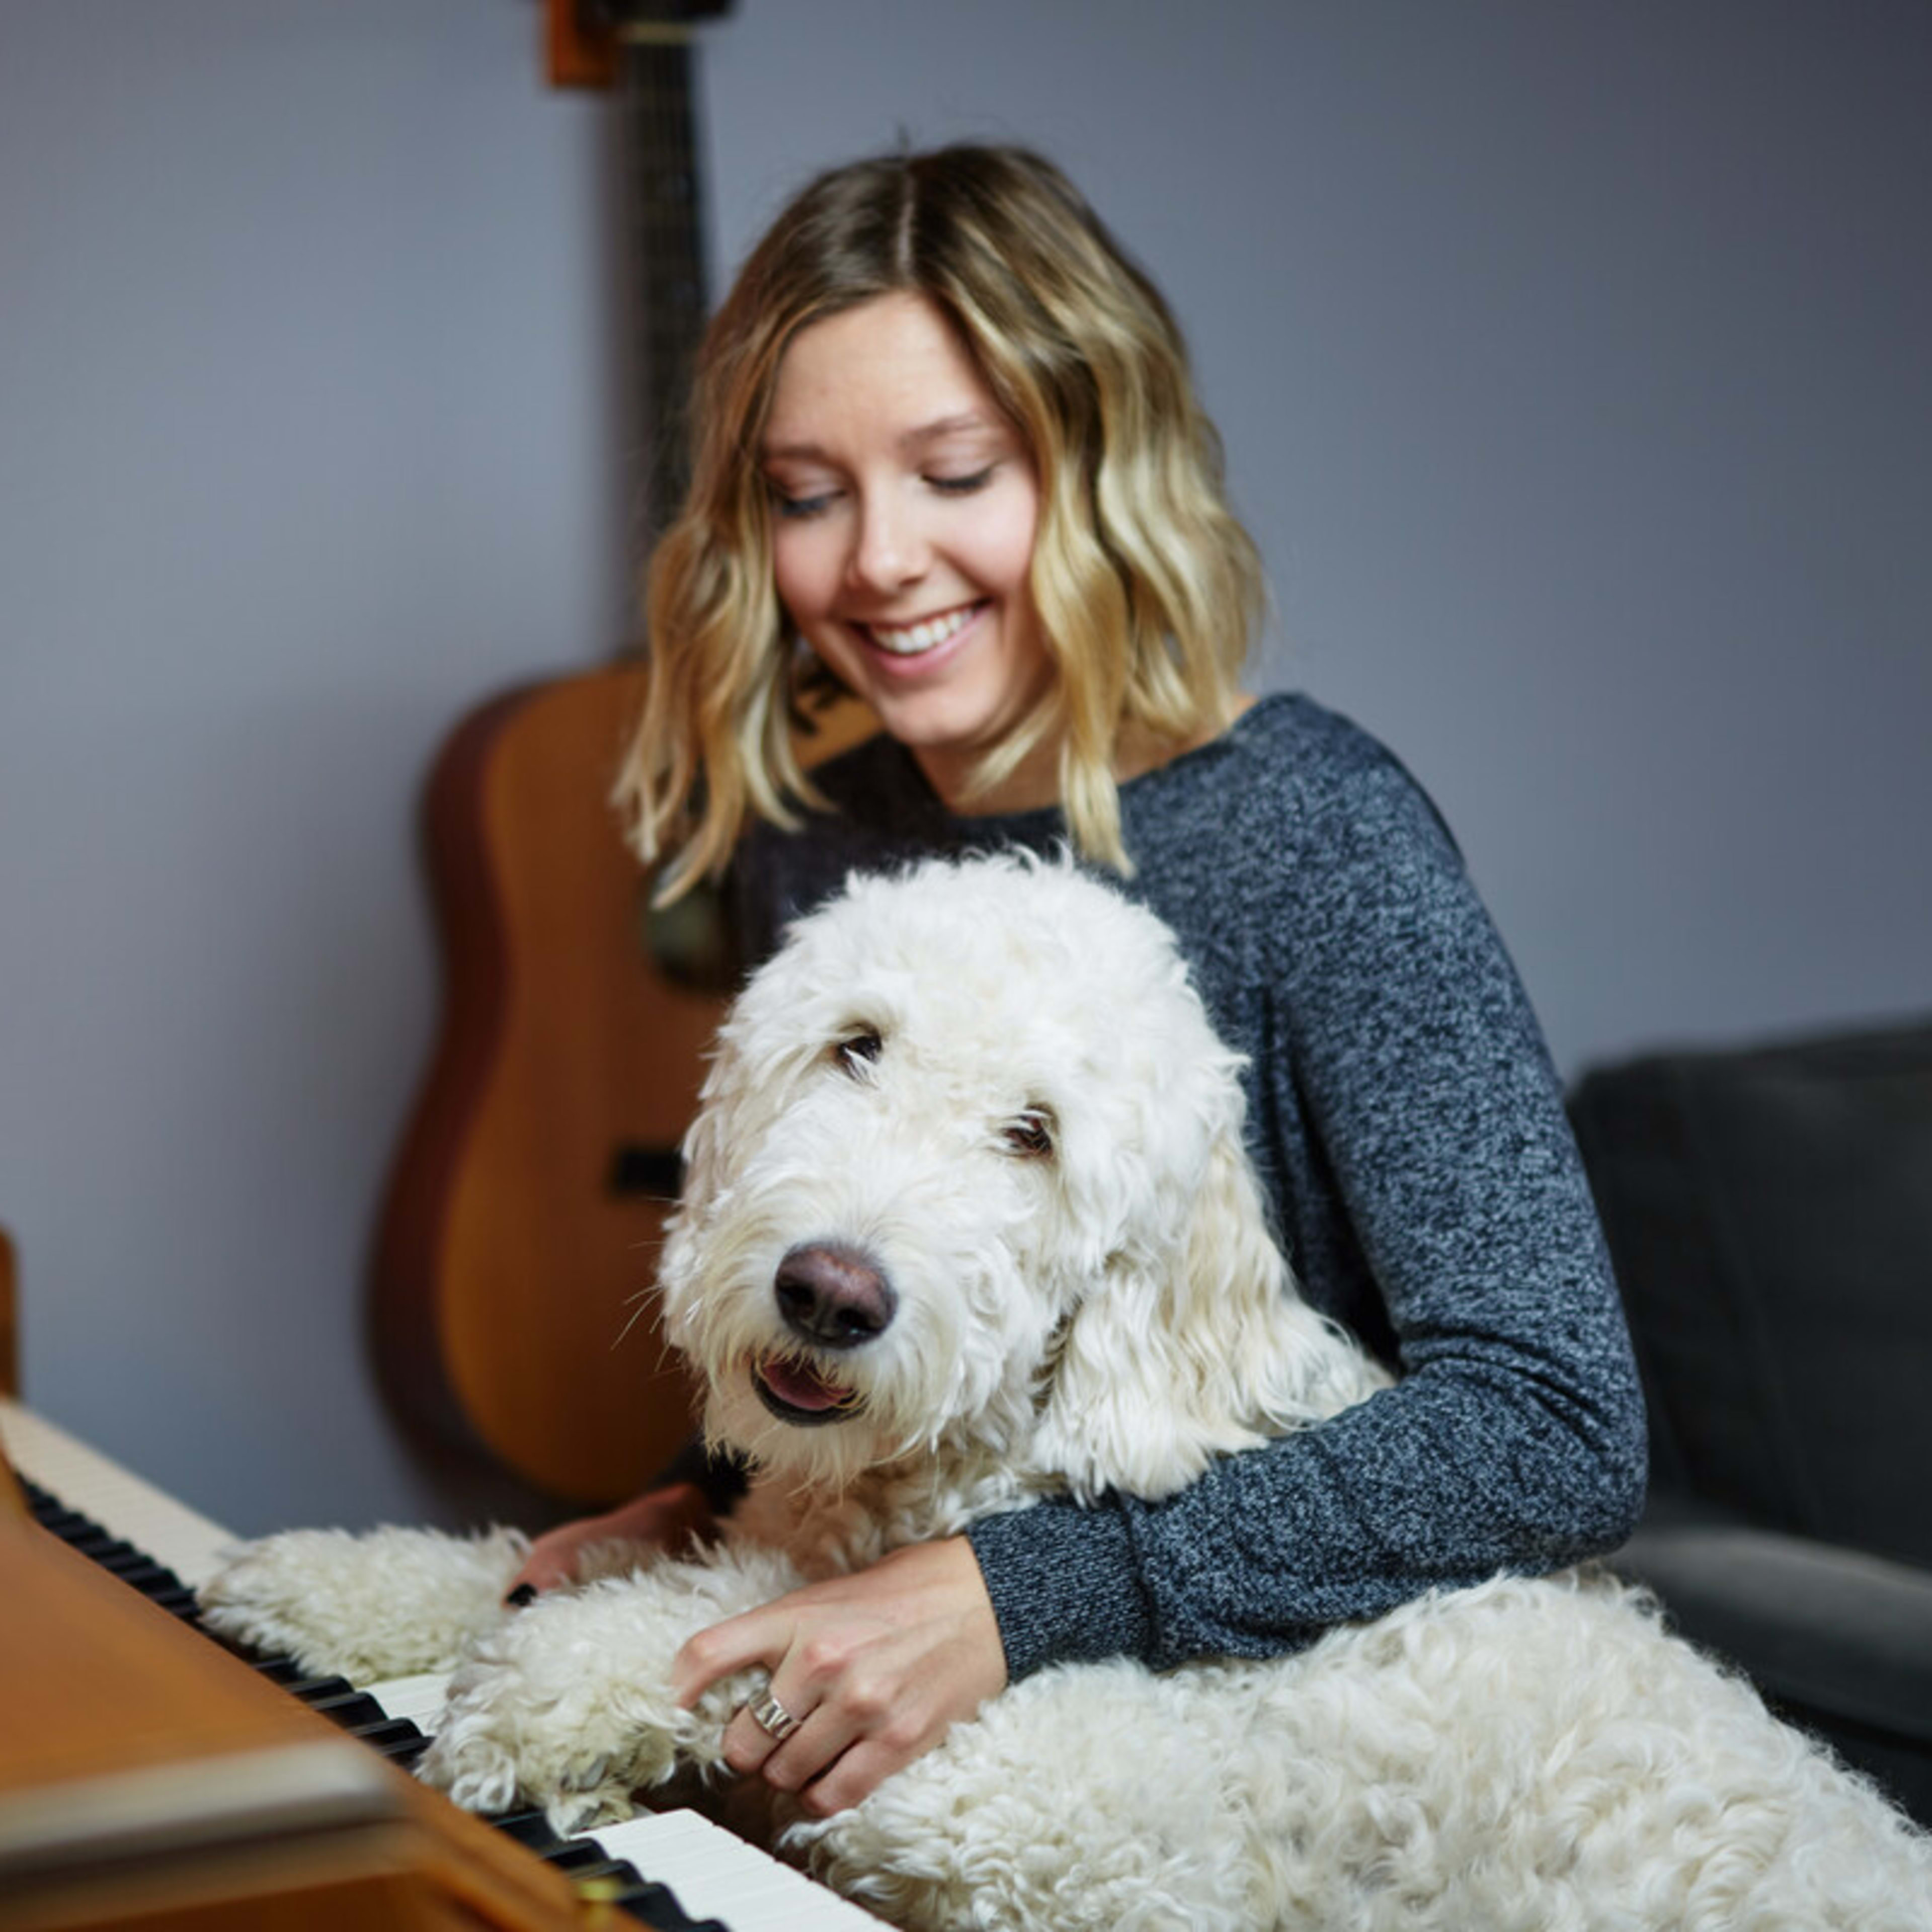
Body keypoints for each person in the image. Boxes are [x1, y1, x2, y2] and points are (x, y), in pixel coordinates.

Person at [502, 143, 1647, 1821]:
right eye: (808, 492)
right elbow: (904, 1319)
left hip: (1310, 1746)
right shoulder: (824, 835)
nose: (879, 559)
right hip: (973, 1753)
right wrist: (696, 1493)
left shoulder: (1317, 832)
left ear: (1097, 459)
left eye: (955, 471)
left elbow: (1554, 1425)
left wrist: (1019, 1595)